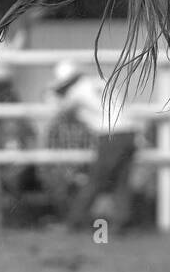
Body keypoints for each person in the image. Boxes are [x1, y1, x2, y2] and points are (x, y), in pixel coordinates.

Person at [48, 60, 141, 231]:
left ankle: (74, 222)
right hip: (129, 132)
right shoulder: (100, 81)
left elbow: (61, 111)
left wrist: (55, 95)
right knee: (121, 181)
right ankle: (121, 222)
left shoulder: (75, 92)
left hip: (111, 135)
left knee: (95, 181)